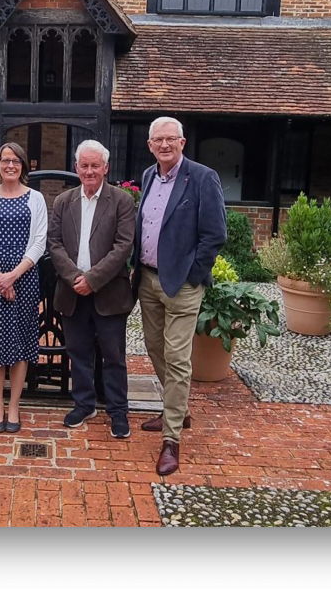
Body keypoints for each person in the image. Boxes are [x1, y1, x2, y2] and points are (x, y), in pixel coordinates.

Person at [132, 115, 225, 476]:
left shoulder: (202, 178)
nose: (165, 145)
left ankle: (171, 440)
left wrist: (193, 275)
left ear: (182, 143)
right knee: (155, 348)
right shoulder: (148, 176)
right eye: (159, 140)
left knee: (177, 355)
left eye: (172, 139)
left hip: (183, 284)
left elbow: (214, 234)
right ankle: (178, 409)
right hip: (148, 281)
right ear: (150, 145)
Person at [46, 139, 139, 439]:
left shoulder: (121, 201)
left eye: (95, 165)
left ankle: (117, 411)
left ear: (105, 167)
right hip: (72, 292)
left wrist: (93, 279)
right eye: (84, 165)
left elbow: (123, 246)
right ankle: (84, 404)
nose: (89, 171)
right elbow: (54, 244)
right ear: (76, 167)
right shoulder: (64, 201)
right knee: (78, 352)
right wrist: (76, 277)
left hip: (109, 293)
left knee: (113, 356)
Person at [0, 141, 47, 433]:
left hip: (25, 278)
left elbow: (40, 241)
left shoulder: (36, 199)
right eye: (5, 161)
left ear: (24, 166)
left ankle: (14, 404)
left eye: (16, 161)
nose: (10, 165)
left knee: (21, 343)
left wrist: (13, 275)